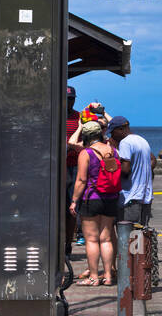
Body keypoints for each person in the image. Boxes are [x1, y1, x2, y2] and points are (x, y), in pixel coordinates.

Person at [70, 120, 121, 286]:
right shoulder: (113, 150)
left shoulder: (86, 153)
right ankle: (107, 276)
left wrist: (74, 201)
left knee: (92, 239)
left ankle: (93, 276)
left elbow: (81, 179)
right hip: (111, 198)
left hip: (91, 198)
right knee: (106, 238)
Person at [108, 116, 154, 227]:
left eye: (112, 132)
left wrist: (112, 167)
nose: (112, 136)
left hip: (130, 197)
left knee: (127, 236)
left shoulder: (125, 143)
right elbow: (153, 160)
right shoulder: (142, 140)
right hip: (145, 196)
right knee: (141, 234)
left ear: (120, 129)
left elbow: (125, 170)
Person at [64, 86, 81, 254]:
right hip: (59, 167)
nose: (69, 102)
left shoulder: (79, 118)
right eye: (67, 99)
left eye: (72, 99)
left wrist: (71, 147)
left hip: (75, 166)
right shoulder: (56, 115)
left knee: (72, 208)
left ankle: (68, 242)